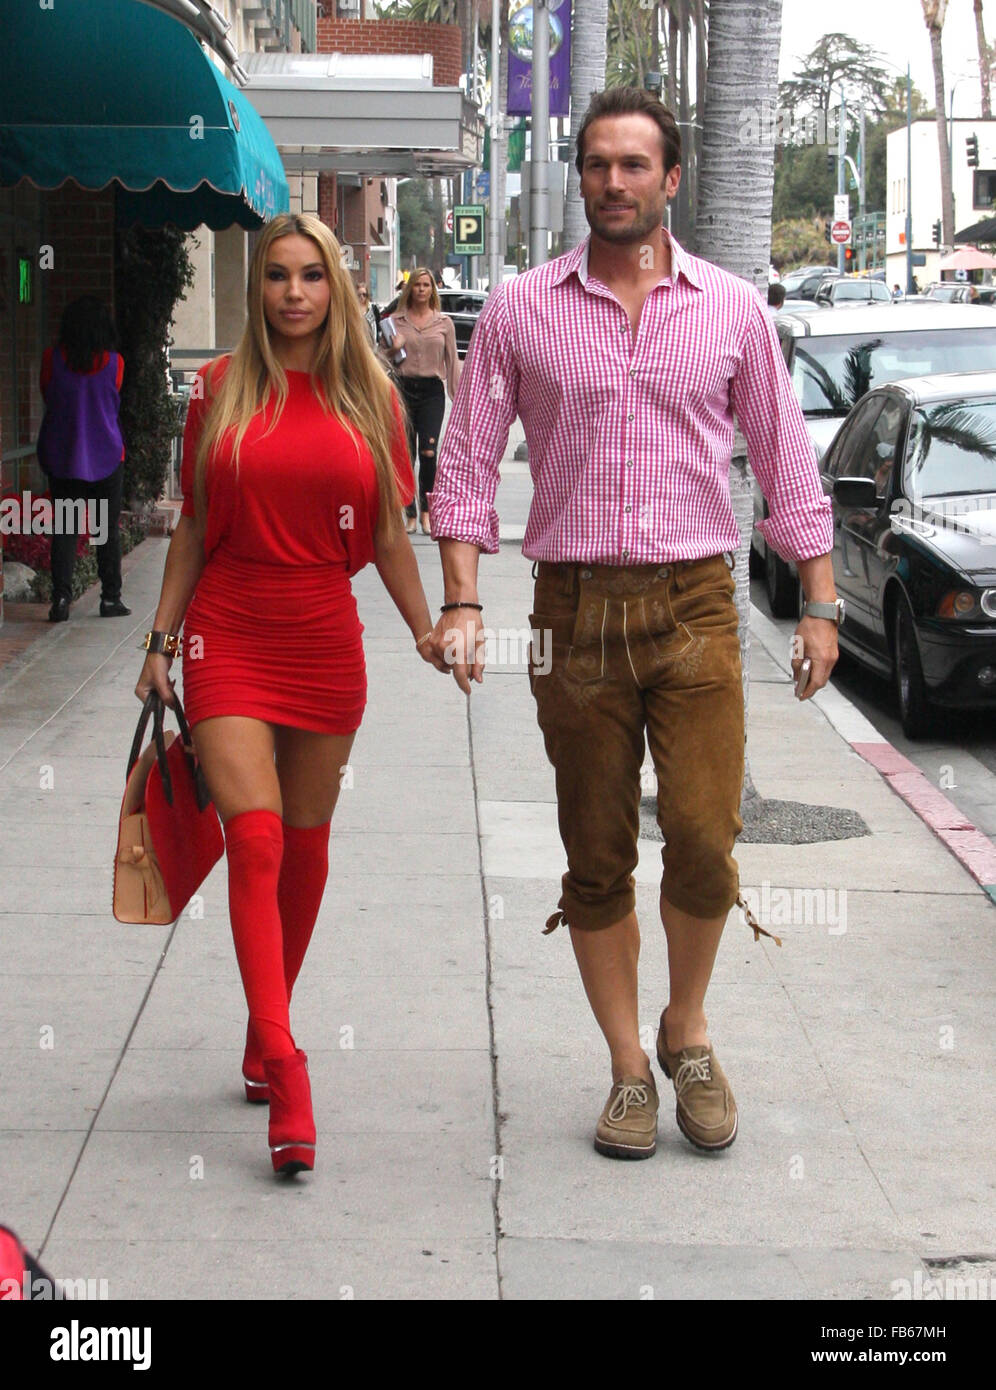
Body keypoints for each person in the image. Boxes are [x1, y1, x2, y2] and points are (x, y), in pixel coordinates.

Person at [428, 87, 839, 1161]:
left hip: (699, 599)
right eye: (597, 164)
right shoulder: (521, 308)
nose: (614, 181)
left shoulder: (733, 309)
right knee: (597, 850)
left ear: (671, 179)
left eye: (634, 164)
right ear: (581, 176)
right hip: (571, 607)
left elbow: (785, 455)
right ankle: (625, 1069)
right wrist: (464, 599)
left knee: (703, 839)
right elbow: (467, 460)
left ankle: (686, 1029)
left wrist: (823, 600)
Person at [134, 213, 447, 1177]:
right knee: (256, 836)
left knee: (305, 848)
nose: (295, 293)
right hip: (227, 627)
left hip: (322, 636)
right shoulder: (220, 391)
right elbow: (191, 526)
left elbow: (391, 537)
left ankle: (261, 1026)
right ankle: (288, 1058)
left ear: (337, 289)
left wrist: (428, 628)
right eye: (277, 276)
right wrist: (159, 639)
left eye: (313, 276)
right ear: (259, 289)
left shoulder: (372, 402)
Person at [36, 297, 130, 622]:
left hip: (63, 456)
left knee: (65, 529)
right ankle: (110, 598)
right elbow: (114, 401)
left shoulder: (51, 359)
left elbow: (47, 394)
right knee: (106, 530)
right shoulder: (115, 363)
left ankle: (61, 600)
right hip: (106, 454)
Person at [383, 267, 460, 536]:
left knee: (428, 452)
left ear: (432, 290)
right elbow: (378, 359)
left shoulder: (444, 323)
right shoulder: (395, 320)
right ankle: (410, 513)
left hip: (431, 392)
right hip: (402, 389)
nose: (422, 290)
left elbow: (452, 362)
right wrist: (393, 347)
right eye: (417, 285)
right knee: (405, 455)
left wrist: (458, 396)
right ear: (410, 289)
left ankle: (428, 511)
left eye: (426, 285)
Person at [356, 281, 380, 347]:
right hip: (357, 344)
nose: (362, 297)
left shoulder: (373, 308)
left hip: (372, 344)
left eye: (364, 294)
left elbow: (378, 327)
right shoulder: (352, 309)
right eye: (359, 295)